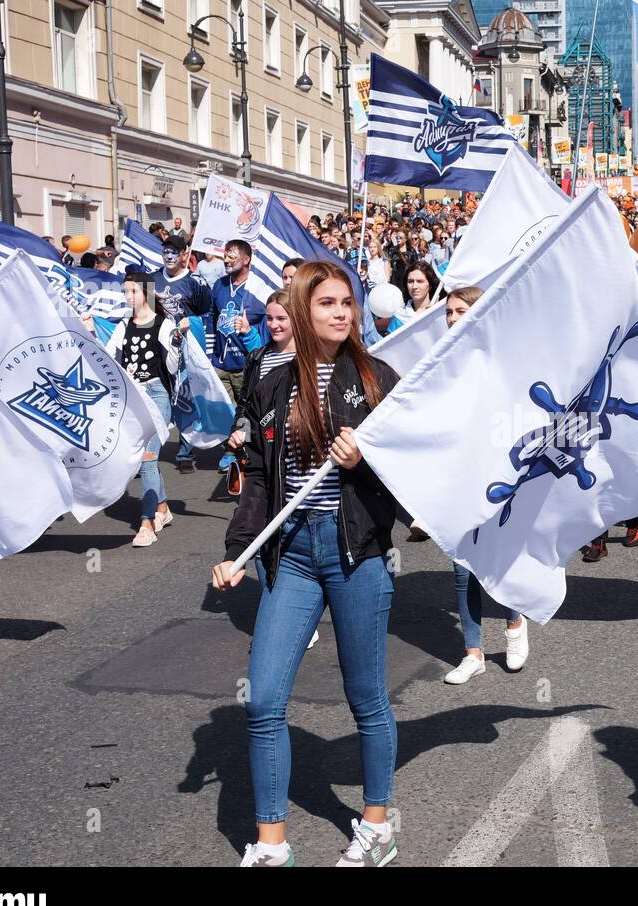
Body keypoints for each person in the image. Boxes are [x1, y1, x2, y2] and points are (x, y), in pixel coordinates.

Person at [212, 259, 403, 868]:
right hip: (290, 555)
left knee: (366, 696)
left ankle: (377, 826)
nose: (341, 313)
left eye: (347, 302)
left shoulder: (376, 379)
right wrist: (236, 551)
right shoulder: (273, 384)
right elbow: (261, 481)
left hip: (355, 554)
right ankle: (272, 845)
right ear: (301, 309)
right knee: (264, 699)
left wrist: (363, 463)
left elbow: (408, 476)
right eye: (327, 303)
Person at [434, 287, 530, 684]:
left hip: (497, 472)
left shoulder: (500, 357)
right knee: (462, 568)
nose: (454, 318)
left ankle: (513, 623)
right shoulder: (442, 360)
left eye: (461, 311)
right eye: (450, 312)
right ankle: (472, 652)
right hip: (459, 473)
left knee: (498, 555)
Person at [106, 272, 181, 548]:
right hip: (134, 398)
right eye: (125, 292)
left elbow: (172, 368)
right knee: (145, 458)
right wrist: (88, 331)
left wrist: (175, 344)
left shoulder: (163, 324)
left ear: (146, 292)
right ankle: (162, 507)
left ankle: (146, 522)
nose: (129, 297)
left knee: (147, 458)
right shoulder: (123, 326)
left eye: (133, 291)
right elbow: (108, 357)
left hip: (156, 395)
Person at [206, 239, 270, 472]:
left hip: (246, 362)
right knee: (223, 408)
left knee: (246, 411)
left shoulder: (259, 287)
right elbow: (212, 319)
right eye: (225, 255)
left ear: (247, 259)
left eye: (232, 256)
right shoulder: (219, 286)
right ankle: (232, 447)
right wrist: (209, 352)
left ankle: (238, 451)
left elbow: (270, 321)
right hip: (220, 361)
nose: (226, 260)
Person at [151, 235, 213, 474]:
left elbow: (205, 313)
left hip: (185, 347)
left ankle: (185, 452)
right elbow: (142, 311)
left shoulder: (195, 282)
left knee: (187, 399)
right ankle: (149, 451)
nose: (169, 256)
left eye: (174, 251)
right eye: (165, 250)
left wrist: (190, 327)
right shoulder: (152, 279)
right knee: (156, 399)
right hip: (159, 347)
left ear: (184, 254)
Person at [388, 261, 441, 334]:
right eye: (410, 281)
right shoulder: (399, 317)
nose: (414, 286)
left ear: (430, 285)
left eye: (420, 281)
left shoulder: (442, 313)